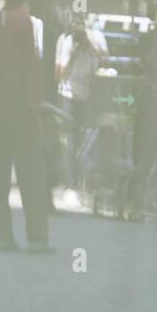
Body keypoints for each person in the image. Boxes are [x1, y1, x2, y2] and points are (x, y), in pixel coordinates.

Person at [0, 0, 54, 252]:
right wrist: (36, 100)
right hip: (21, 103)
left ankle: (3, 236)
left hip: (0, 100)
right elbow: (30, 64)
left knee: (1, 170)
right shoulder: (24, 21)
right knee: (29, 169)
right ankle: (36, 236)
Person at [54, 14, 108, 204]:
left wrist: (88, 42)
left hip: (88, 95)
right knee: (70, 141)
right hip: (68, 96)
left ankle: (84, 182)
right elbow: (59, 76)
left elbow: (105, 61)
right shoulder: (66, 41)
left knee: (85, 140)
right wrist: (74, 53)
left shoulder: (96, 38)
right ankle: (70, 185)